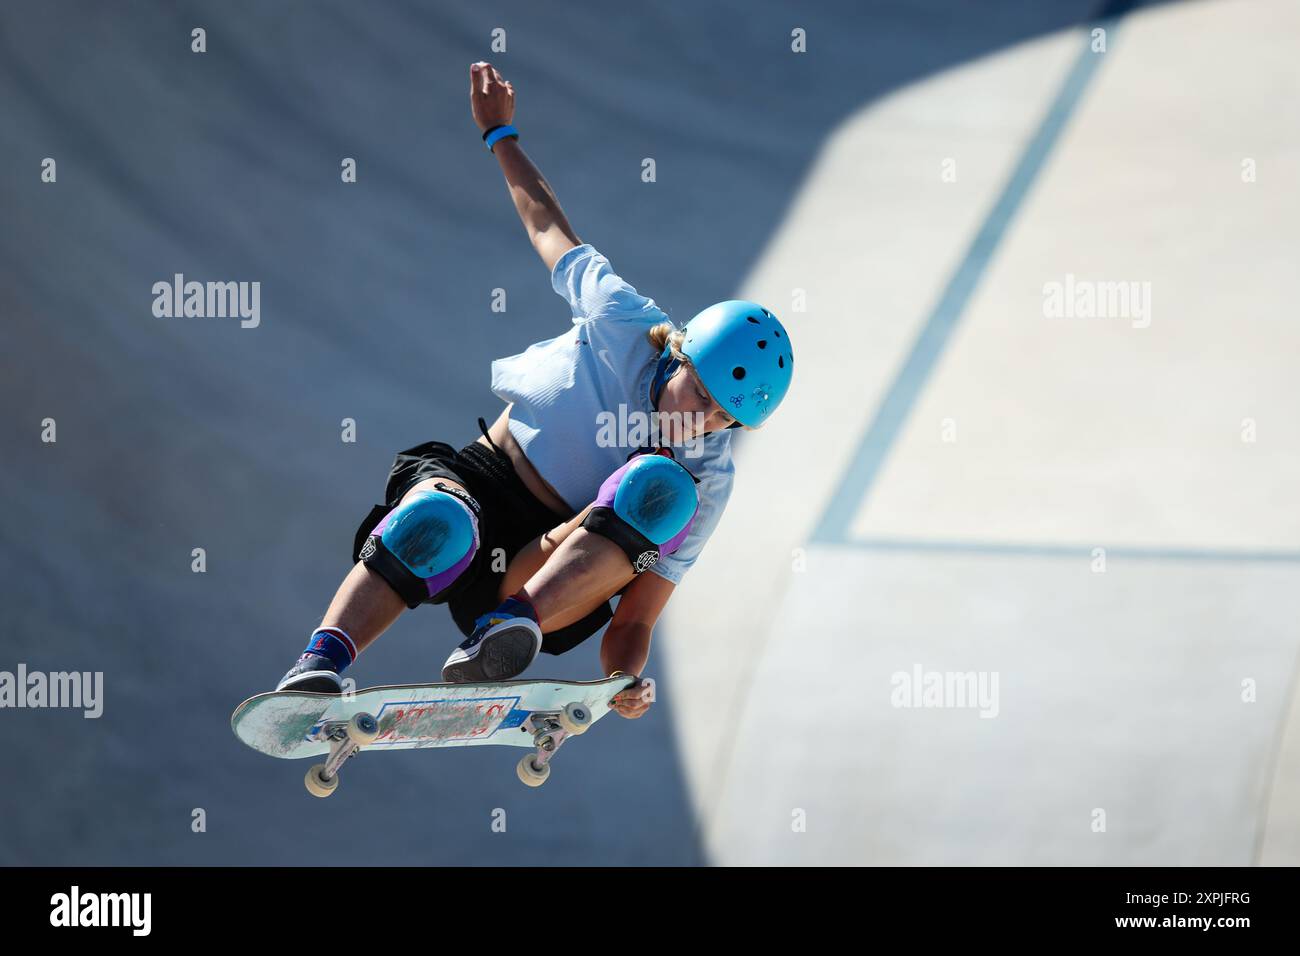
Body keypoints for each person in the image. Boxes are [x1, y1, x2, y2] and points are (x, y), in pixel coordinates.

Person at [274, 61, 793, 720]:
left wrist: (623, 681)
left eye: (723, 420)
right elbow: (548, 228)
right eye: (701, 393)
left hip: (536, 568)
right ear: (680, 352)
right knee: (440, 522)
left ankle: (504, 633)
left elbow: (634, 622)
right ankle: (321, 663)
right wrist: (501, 134)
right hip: (477, 482)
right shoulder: (622, 321)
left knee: (663, 493)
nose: (702, 421)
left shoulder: (707, 475)